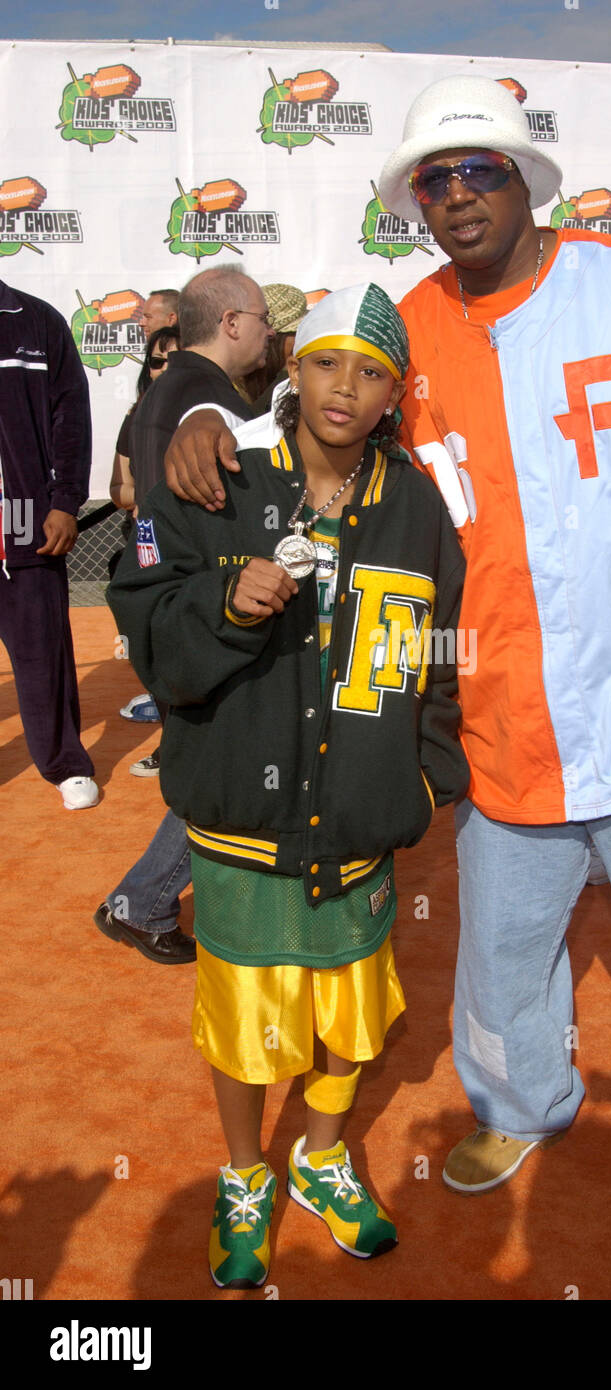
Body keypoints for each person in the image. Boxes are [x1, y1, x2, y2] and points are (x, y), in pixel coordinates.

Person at [164, 77, 611, 1302]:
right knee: (503, 963)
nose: (455, 194)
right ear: (415, 199)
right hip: (502, 723)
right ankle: (522, 1106)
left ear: (524, 178)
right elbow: (323, 434)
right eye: (434, 179)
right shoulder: (408, 328)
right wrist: (200, 419)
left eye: (479, 171)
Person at [108, 282, 468, 1290]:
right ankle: (245, 1173)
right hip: (240, 831)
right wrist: (226, 600)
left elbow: (441, 658)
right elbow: (152, 641)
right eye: (325, 361)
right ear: (291, 366)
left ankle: (319, 1156)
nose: (344, 387)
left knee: (352, 1016)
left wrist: (426, 781)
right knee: (247, 1022)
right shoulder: (217, 477)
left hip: (359, 826)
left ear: (395, 393)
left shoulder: (415, 506)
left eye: (372, 371)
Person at [95, 266, 269, 962]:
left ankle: (143, 898)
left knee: (219, 760)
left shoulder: (164, 388)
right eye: (259, 318)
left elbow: (134, 495)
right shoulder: (206, 394)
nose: (265, 333)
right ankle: (143, 900)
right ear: (231, 323)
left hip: (167, 599)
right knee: (229, 761)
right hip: (205, 605)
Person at [0, 276, 98, 809]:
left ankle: (65, 764)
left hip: (22, 520)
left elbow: (71, 420)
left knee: (43, 653)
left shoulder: (36, 321)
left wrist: (64, 501)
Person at [109, 326, 181, 772]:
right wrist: (141, 500)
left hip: (204, 549)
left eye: (176, 359)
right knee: (153, 645)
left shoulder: (213, 409)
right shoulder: (136, 417)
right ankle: (172, 743)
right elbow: (119, 487)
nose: (166, 368)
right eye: (157, 361)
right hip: (150, 546)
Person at [237, 282, 308, 412]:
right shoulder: (231, 383)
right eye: (297, 334)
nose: (303, 341)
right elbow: (249, 425)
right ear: (273, 337)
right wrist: (288, 374)